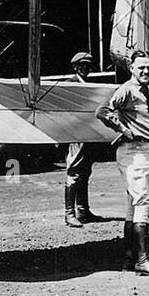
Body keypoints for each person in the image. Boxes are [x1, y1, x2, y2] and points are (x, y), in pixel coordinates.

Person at [94, 49, 149, 277]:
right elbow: (102, 111)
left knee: (133, 205)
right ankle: (142, 260)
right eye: (141, 67)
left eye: (148, 67)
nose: (145, 71)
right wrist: (123, 129)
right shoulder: (128, 90)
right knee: (142, 202)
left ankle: (129, 258)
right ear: (131, 68)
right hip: (134, 151)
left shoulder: (144, 90)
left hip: (143, 150)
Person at [64, 50, 100, 228]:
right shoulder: (70, 84)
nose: (85, 69)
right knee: (74, 172)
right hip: (76, 135)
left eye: (88, 66)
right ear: (75, 67)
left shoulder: (89, 83)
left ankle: (83, 211)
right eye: (82, 65)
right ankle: (69, 214)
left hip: (89, 134)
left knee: (85, 172)